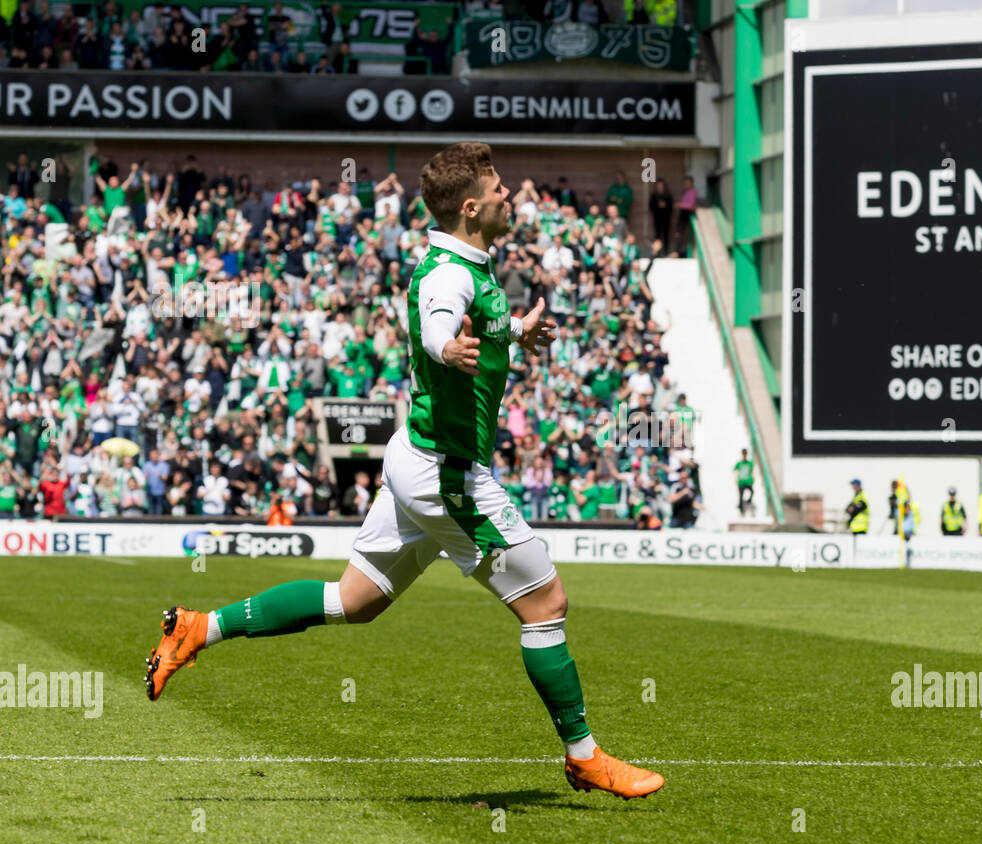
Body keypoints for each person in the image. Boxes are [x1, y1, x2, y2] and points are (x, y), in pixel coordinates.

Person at [144, 141, 663, 801]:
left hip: (414, 459)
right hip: (447, 476)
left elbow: (461, 321)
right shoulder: (448, 277)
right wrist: (446, 347)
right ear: (471, 206)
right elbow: (437, 322)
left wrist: (511, 337)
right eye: (500, 189)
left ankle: (197, 628)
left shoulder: (463, 259)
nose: (511, 195)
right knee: (546, 605)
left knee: (351, 603)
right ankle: (584, 756)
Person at [733, 448, 754, 517]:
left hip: (748, 481)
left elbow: (752, 471)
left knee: (752, 492)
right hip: (741, 482)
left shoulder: (749, 463)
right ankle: (741, 508)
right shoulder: (739, 463)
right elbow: (735, 471)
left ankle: (748, 502)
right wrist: (735, 479)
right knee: (740, 496)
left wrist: (753, 478)